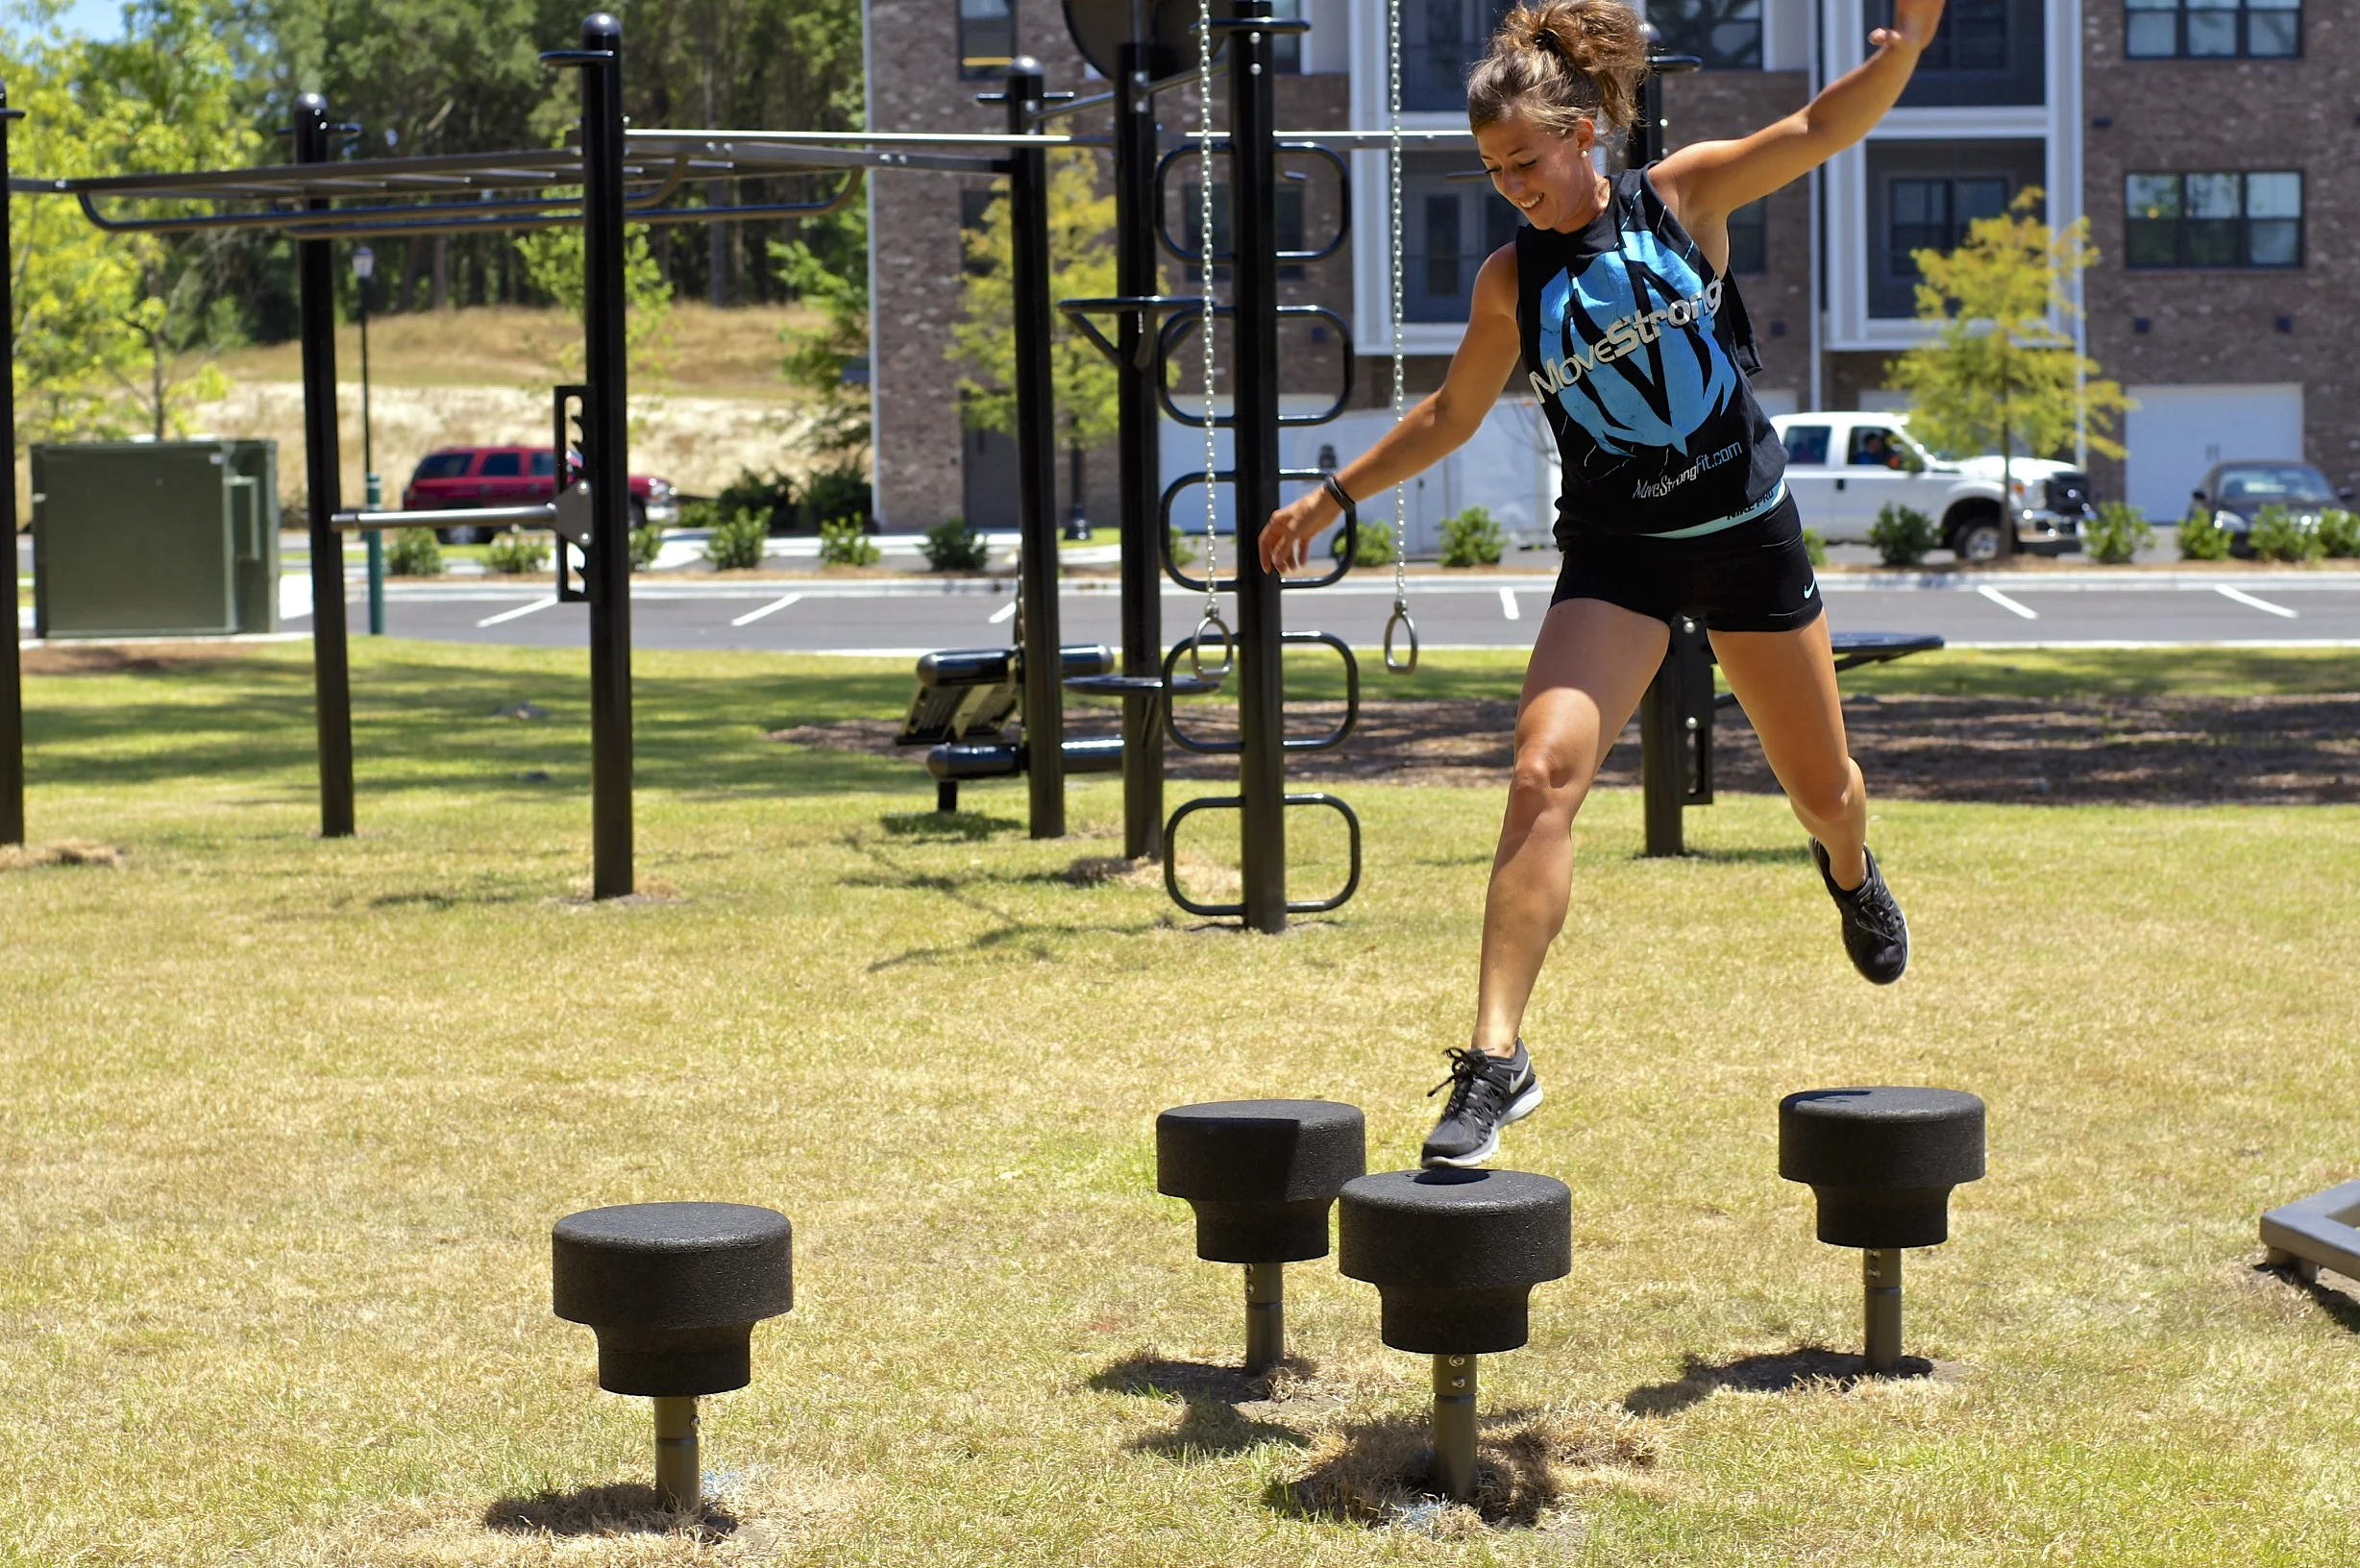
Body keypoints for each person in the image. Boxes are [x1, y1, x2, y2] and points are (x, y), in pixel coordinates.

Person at [1259, 0, 1940, 1168]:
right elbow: (1448, 414)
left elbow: (1819, 125)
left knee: (1824, 791)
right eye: (1491, 169)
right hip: (1618, 558)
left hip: (1745, 535)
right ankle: (1494, 1060)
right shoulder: (1507, 282)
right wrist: (1335, 496)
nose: (1511, 183)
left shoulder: (1679, 199)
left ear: (1582, 131)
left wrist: (1906, 51)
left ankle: (1847, 868)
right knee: (1539, 775)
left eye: (1524, 158)